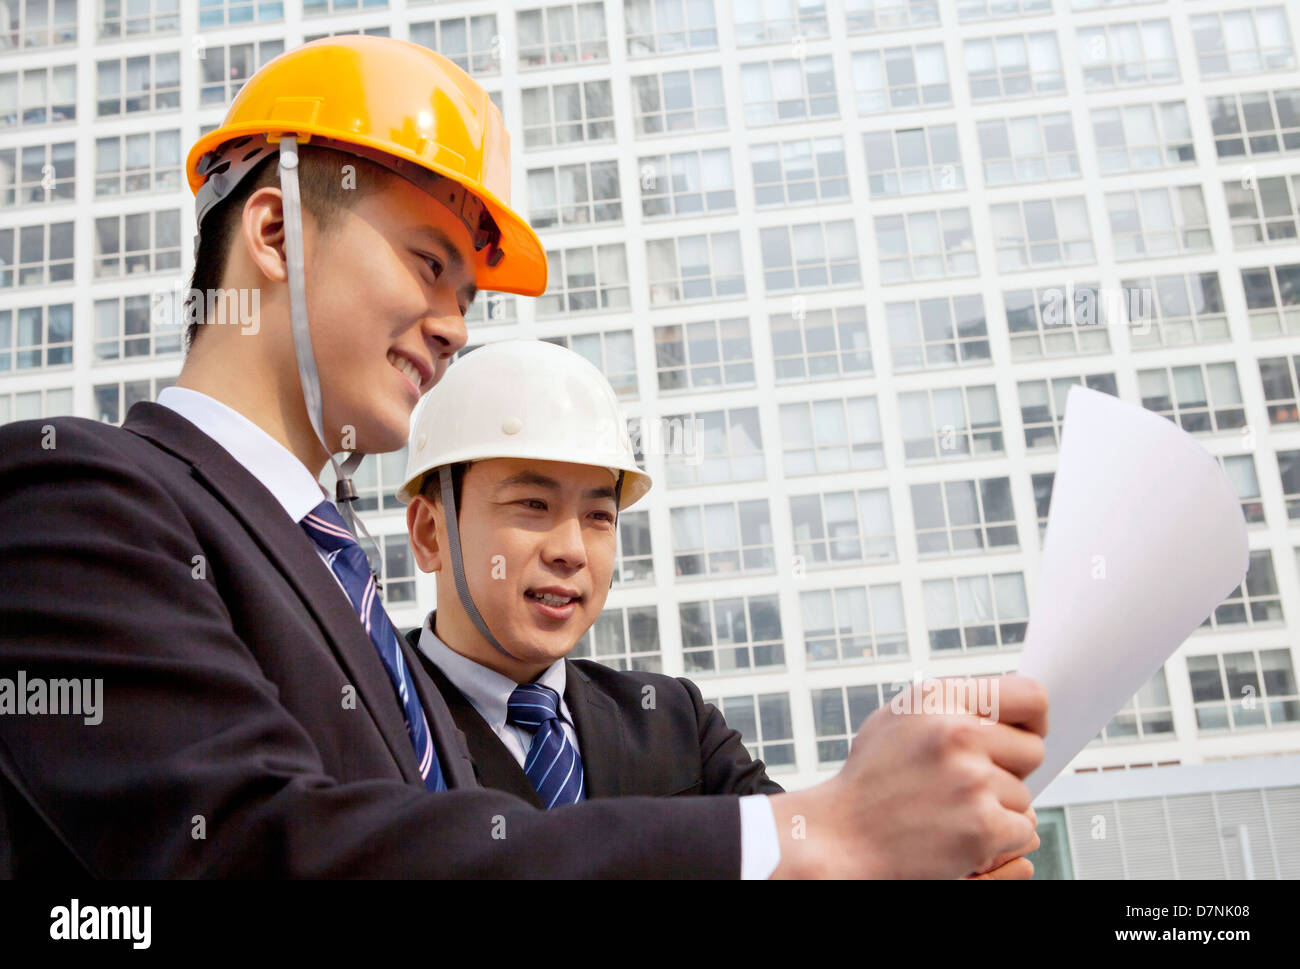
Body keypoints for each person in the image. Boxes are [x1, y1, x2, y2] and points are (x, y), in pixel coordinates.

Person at [0, 35, 1046, 879]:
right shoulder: (74, 500)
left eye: (468, 294)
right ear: (274, 232)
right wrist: (817, 838)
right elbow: (252, 848)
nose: (455, 325)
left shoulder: (351, 598)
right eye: (428, 263)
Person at [397, 340, 784, 807]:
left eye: (599, 516)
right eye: (533, 505)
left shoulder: (676, 723)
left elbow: (806, 850)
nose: (571, 551)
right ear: (430, 534)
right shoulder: (368, 728)